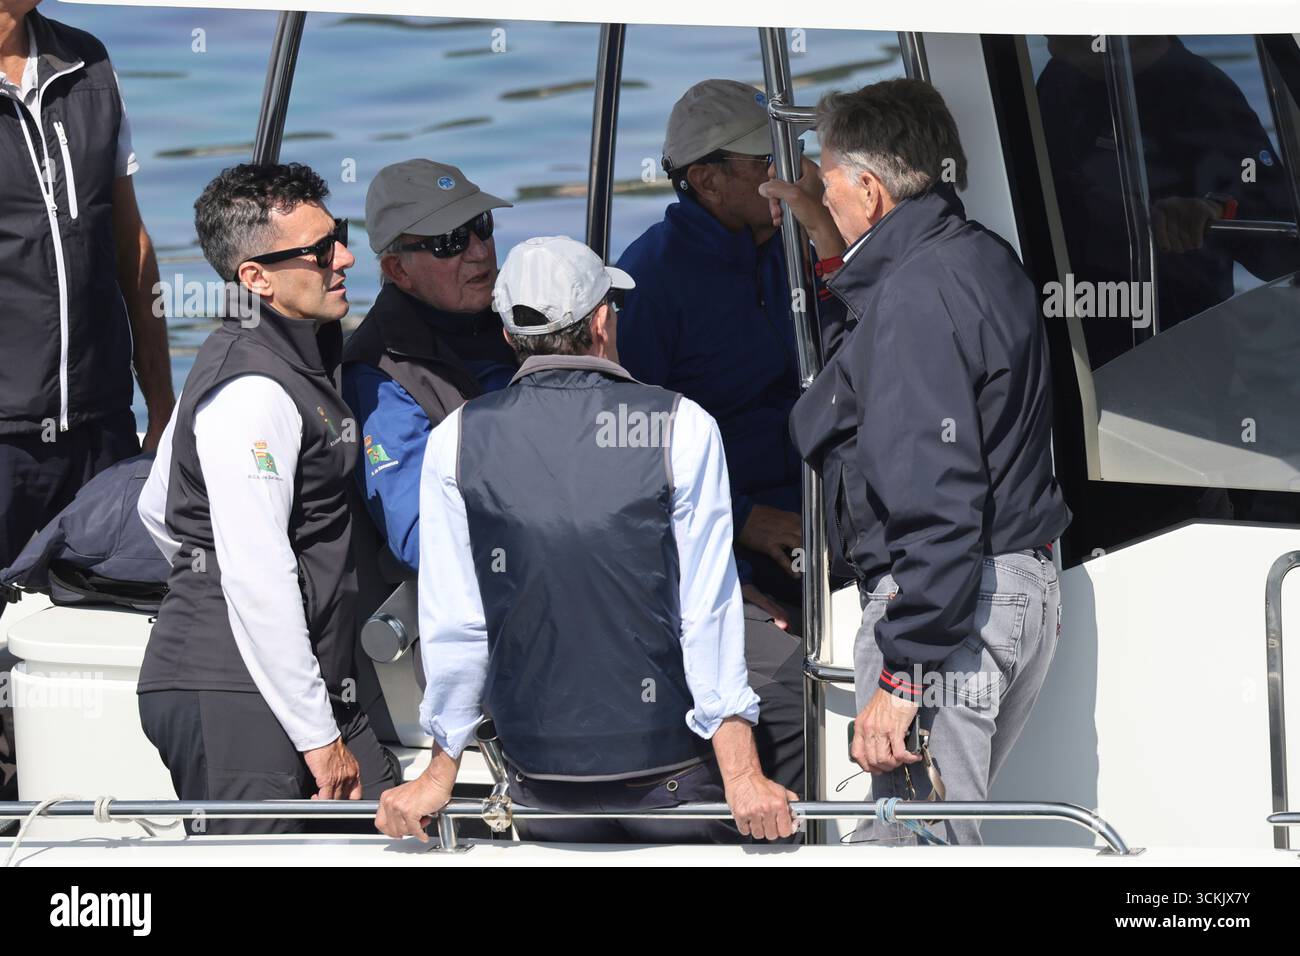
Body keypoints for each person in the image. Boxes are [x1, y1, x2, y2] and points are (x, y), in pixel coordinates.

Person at [375, 236, 797, 845]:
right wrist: (742, 774)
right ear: (601, 322)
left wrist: (441, 770)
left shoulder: (457, 439)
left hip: (540, 780)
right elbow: (707, 611)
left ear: (509, 337)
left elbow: (458, 622)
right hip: (672, 773)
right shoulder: (680, 424)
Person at [781, 79, 1072, 845]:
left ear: (870, 190)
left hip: (947, 610)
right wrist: (831, 251)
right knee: (915, 837)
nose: (820, 188)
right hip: (1012, 589)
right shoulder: (979, 257)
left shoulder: (914, 296)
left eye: (828, 177)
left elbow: (939, 501)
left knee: (917, 847)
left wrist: (903, 674)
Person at [136, 163, 394, 834]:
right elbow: (255, 573)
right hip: (228, 690)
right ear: (256, 279)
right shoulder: (250, 390)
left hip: (299, 676)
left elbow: (158, 507)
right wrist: (316, 735)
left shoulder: (292, 351)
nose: (344, 255)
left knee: (398, 824)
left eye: (337, 233)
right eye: (319, 249)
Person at [0, 0, 173, 807]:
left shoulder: (88, 63)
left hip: (101, 422)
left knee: (105, 623)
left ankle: (90, 810)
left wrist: (162, 396)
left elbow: (131, 245)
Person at [616, 79, 846, 615]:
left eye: (794, 152)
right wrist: (741, 522)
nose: (791, 173)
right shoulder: (646, 285)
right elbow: (626, 451)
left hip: (827, 506)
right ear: (706, 181)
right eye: (769, 159)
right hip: (732, 539)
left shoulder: (798, 243)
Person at [342, 159, 517, 577]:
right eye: (449, 242)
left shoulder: (521, 315)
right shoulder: (377, 376)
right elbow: (420, 539)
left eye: (482, 224)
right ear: (397, 270)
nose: (478, 251)